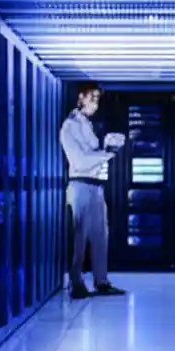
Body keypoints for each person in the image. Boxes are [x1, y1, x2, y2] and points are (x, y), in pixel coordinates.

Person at [59, 82, 127, 299]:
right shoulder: (70, 126)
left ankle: (101, 281)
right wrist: (107, 152)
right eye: (93, 98)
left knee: (100, 235)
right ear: (81, 97)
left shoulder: (85, 124)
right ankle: (76, 282)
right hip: (80, 185)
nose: (96, 103)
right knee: (79, 236)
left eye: (98, 98)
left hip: (95, 185)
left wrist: (107, 149)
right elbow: (79, 159)